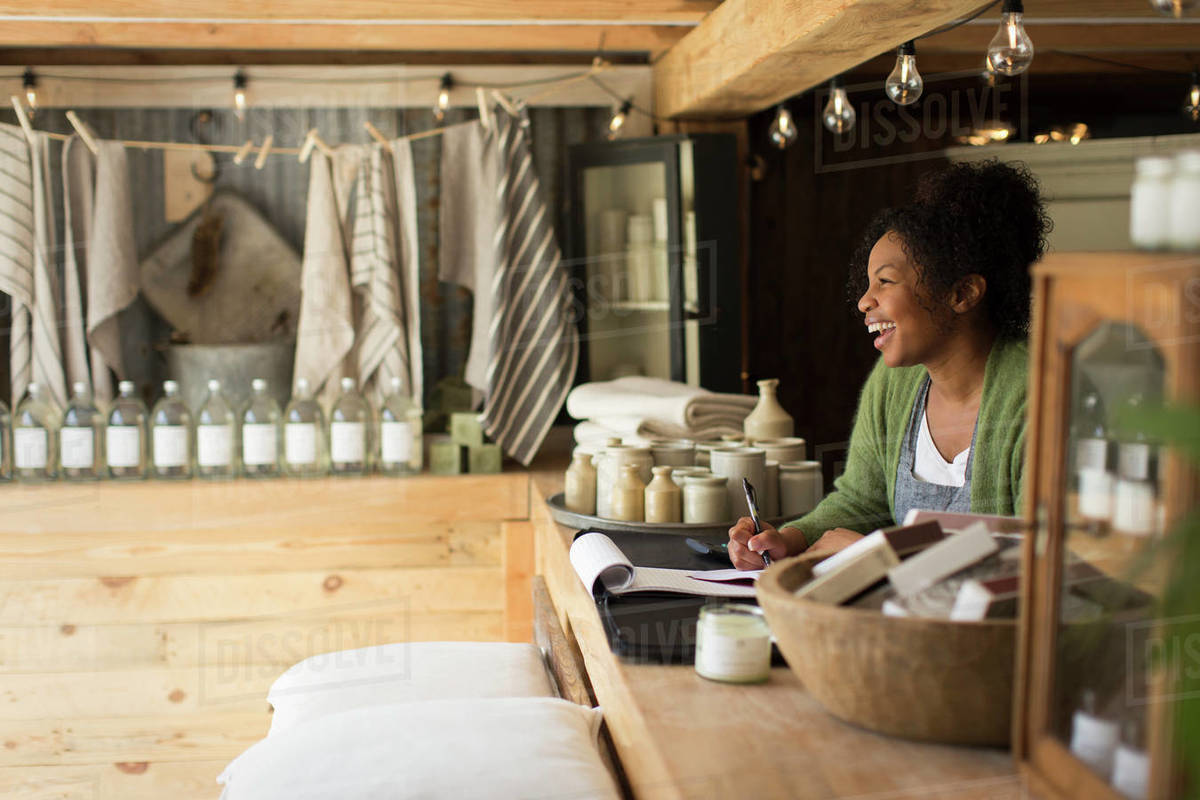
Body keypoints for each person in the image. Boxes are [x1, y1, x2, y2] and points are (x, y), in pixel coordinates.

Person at [728, 159, 1050, 569]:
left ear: (963, 293)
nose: (864, 301)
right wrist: (787, 539)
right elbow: (863, 502)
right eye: (867, 284)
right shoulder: (895, 383)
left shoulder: (1040, 396)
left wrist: (879, 557)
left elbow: (1037, 563)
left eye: (885, 282)